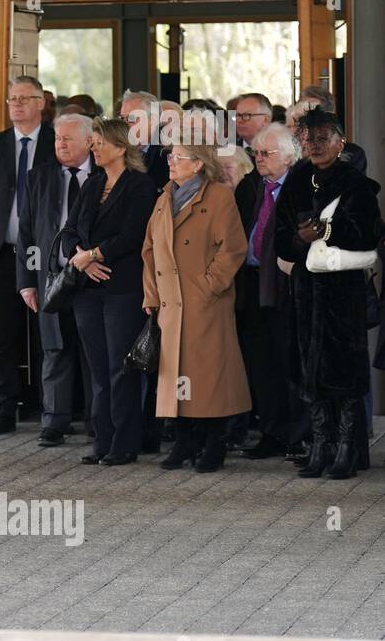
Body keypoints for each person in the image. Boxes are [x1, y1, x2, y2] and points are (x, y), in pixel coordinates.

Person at [274, 108, 383, 479]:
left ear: (340, 142)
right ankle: (320, 445)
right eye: (309, 139)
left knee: (344, 369)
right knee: (310, 368)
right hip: (306, 289)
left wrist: (327, 233)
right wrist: (298, 238)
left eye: (324, 139)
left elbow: (368, 235)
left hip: (342, 289)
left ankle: (346, 450)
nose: (316, 146)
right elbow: (281, 240)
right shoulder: (297, 179)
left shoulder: (354, 182)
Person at [142, 142, 251, 473]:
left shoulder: (218, 196)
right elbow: (149, 249)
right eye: (170, 157)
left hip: (205, 304)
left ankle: (214, 443)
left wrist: (209, 286)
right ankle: (186, 441)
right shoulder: (164, 197)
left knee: (209, 378)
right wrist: (151, 295)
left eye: (178, 158)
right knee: (178, 377)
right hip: (172, 305)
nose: (171, 162)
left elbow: (232, 249)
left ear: (198, 164)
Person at [62, 118, 157, 466]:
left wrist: (95, 254)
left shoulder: (140, 186)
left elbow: (133, 235)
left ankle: (125, 443)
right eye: (93, 142)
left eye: (100, 142)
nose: (94, 148)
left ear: (120, 146)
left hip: (123, 288)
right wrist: (80, 259)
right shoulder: (92, 182)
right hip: (88, 289)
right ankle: (102, 440)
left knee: (122, 368)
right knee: (97, 368)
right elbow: (70, 229)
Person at [0, 75, 56, 433]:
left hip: (46, 253)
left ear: (42, 103)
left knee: (46, 332)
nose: (17, 105)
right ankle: (6, 409)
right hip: (3, 254)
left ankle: (49, 407)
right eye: (12, 99)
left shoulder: (57, 141)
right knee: (3, 335)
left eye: (25, 98)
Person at [17, 113, 93, 448]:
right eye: (57, 138)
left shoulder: (105, 175)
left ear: (89, 142)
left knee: (95, 353)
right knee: (54, 350)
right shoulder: (40, 176)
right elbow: (27, 231)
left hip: (94, 277)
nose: (60, 144)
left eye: (67, 139)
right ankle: (54, 422)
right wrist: (27, 281)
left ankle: (97, 420)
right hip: (51, 277)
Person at [233, 123, 307, 460]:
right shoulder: (251, 186)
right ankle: (272, 432)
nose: (259, 158)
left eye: (267, 153)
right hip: (251, 282)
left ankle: (299, 435)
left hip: (286, 283)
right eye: (256, 153)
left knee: (290, 361)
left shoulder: (303, 189)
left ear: (290, 158)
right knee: (260, 363)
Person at [119, 90, 169, 190]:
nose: (124, 125)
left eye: (131, 118)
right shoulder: (116, 149)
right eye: (122, 118)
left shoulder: (168, 154)